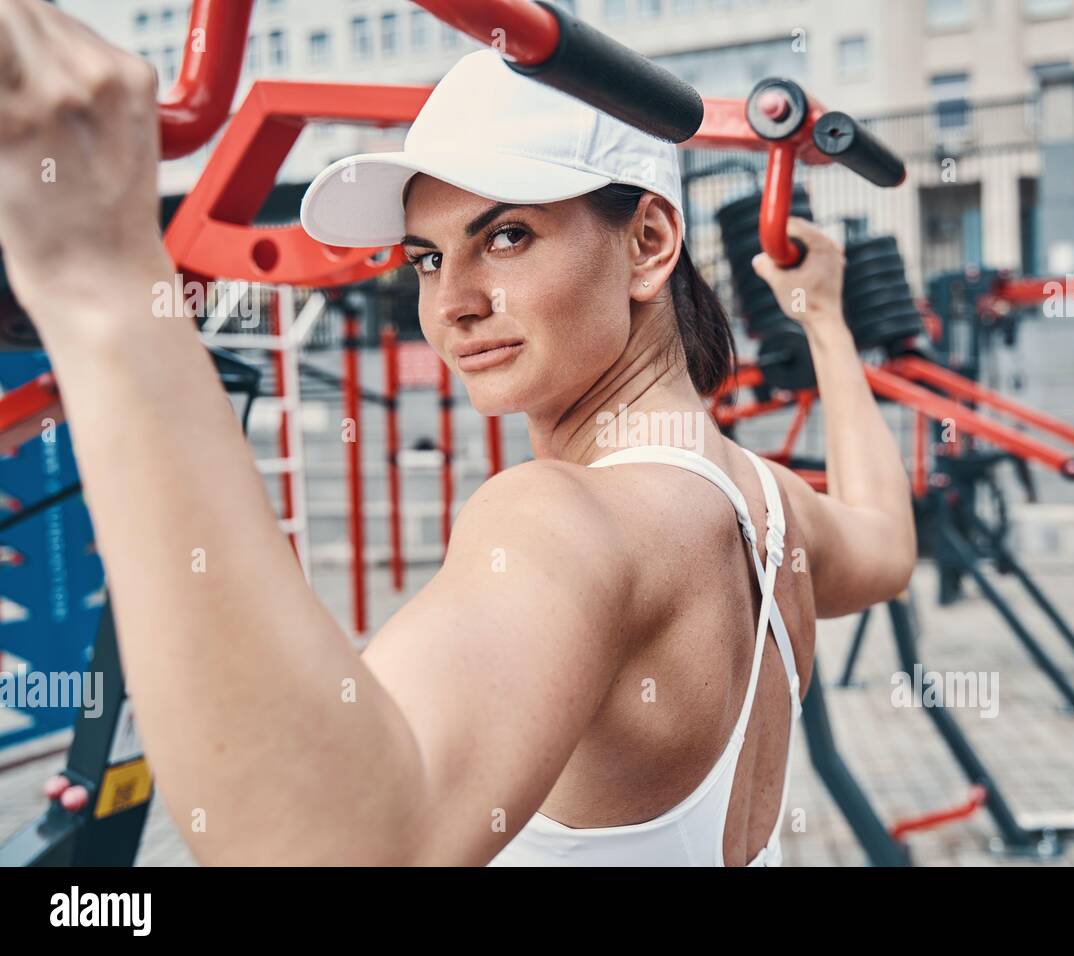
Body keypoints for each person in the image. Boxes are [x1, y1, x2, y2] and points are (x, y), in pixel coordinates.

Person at [0, 3, 914, 866]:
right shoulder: (770, 505)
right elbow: (886, 538)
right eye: (429, 257)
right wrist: (824, 324)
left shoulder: (566, 521)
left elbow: (332, 843)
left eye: (507, 236)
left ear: (648, 243)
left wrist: (104, 280)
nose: (453, 303)